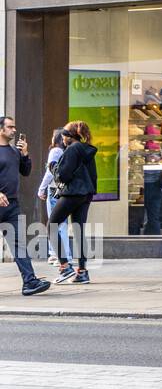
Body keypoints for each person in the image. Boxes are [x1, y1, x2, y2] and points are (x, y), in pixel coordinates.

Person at [0, 117, 48, 295]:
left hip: (12, 206)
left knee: (19, 244)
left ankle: (29, 282)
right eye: (10, 127)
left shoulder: (14, 151)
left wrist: (25, 155)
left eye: (14, 127)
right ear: (1, 130)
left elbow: (25, 172)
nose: (14, 130)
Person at [49, 122, 97, 285]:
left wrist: (53, 167)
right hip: (86, 194)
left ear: (70, 137)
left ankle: (64, 267)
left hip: (73, 193)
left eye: (63, 135)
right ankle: (82, 272)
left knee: (51, 225)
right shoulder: (86, 149)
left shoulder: (72, 149)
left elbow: (63, 175)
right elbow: (93, 176)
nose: (62, 139)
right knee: (79, 230)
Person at [37, 128, 68, 266]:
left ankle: (61, 254)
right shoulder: (66, 151)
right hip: (62, 189)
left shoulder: (55, 151)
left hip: (54, 189)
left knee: (55, 223)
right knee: (60, 223)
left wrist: (41, 188)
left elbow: (50, 172)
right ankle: (55, 253)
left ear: (56, 138)